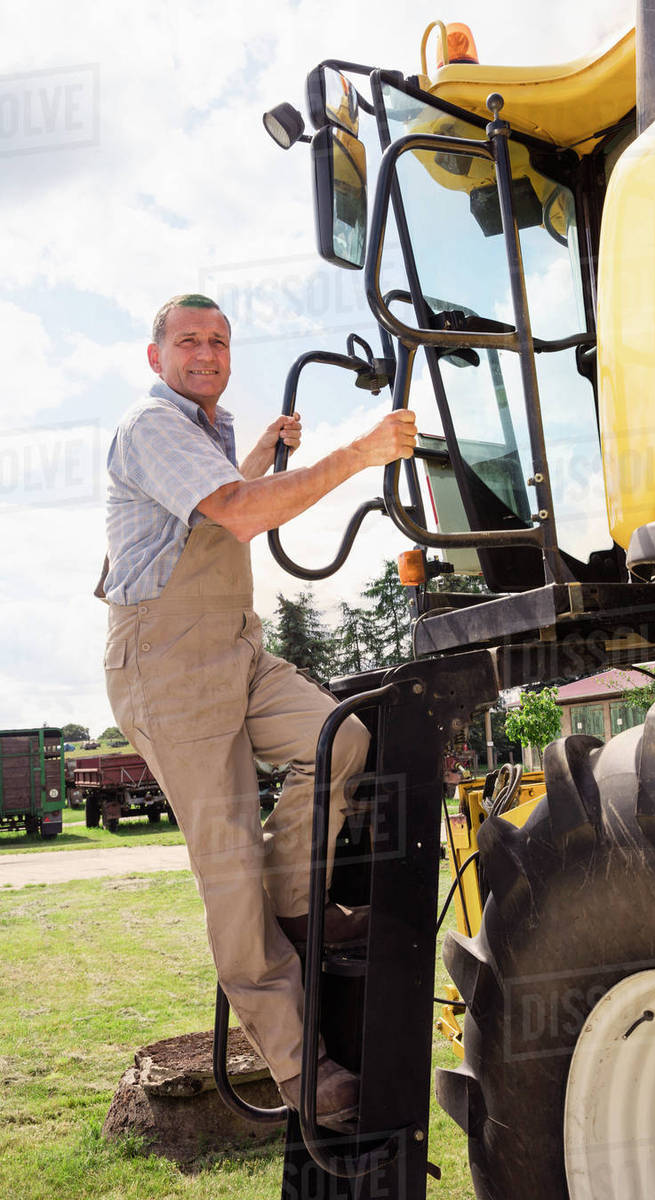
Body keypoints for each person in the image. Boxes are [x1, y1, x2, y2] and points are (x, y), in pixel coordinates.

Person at [100, 293, 417, 1129]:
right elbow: (238, 517)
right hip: (168, 663)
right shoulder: (150, 426)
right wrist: (360, 452)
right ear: (156, 354)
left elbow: (216, 503)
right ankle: (297, 1067)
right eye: (189, 341)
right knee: (229, 872)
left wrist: (263, 449)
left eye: (219, 341)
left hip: (234, 648)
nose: (206, 353)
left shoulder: (209, 432)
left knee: (339, 738)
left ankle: (297, 898)